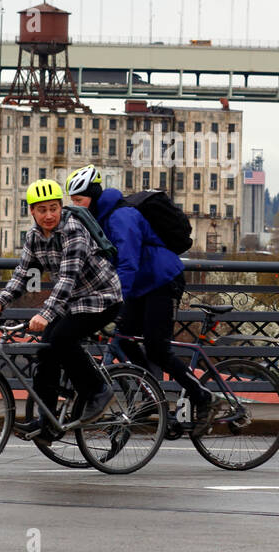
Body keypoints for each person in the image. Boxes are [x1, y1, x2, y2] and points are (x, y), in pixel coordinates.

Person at [65, 165, 215, 430]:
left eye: (79, 200)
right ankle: (152, 395)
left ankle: (202, 396)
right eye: (73, 201)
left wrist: (113, 303)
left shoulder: (122, 217)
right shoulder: (99, 219)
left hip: (161, 281)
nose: (76, 206)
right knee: (124, 339)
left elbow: (127, 264)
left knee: (157, 348)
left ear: (94, 196)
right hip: (140, 287)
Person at [0, 178, 122, 443]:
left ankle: (98, 391)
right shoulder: (34, 236)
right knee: (46, 353)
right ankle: (48, 423)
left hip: (101, 298)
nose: (49, 215)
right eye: (42, 210)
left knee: (61, 339)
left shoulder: (73, 230)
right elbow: (22, 274)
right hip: (72, 302)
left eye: (53, 208)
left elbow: (67, 280)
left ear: (61, 207)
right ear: (32, 212)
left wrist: (45, 315)